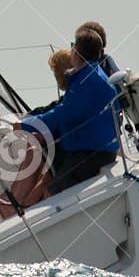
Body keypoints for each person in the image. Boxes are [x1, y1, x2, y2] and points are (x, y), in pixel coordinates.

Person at [20, 28, 119, 191]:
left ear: (77, 53)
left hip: (91, 154)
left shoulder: (87, 82)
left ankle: (15, 208)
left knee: (50, 189)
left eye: (73, 46)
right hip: (92, 149)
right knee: (43, 168)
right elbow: (64, 110)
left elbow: (64, 114)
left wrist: (26, 125)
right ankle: (15, 205)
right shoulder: (92, 75)